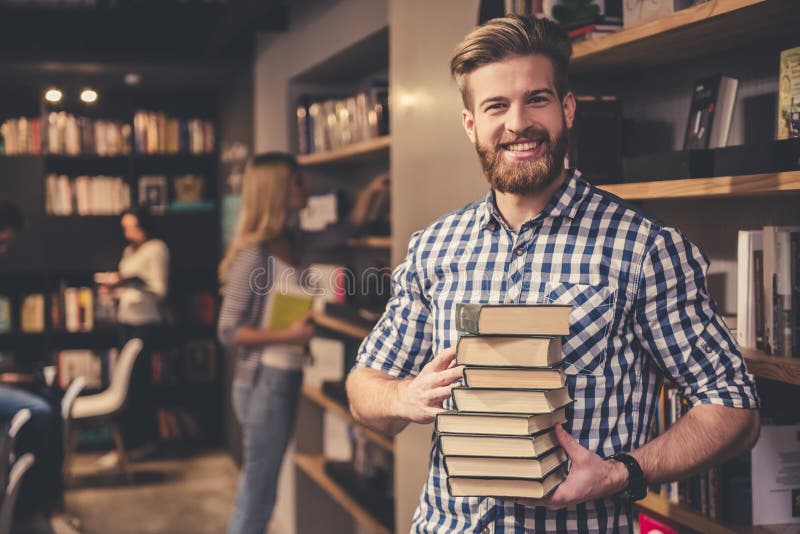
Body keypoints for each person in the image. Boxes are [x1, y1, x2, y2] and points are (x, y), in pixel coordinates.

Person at [346, 15, 760, 533]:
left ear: (566, 110)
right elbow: (365, 386)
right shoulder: (433, 248)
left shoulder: (645, 248)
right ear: (470, 124)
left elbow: (734, 409)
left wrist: (620, 473)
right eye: (496, 105)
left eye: (536, 99)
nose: (518, 123)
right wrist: (404, 396)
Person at [217, 152, 389, 534]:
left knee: (262, 487)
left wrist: (372, 192)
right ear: (276, 190)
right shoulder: (254, 255)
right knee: (258, 492)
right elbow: (228, 331)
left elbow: (345, 230)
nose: (304, 187)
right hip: (264, 382)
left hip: (284, 377)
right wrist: (290, 336)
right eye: (296, 181)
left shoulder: (291, 241)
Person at [97, 206, 170, 467]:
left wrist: (130, 282)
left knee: (138, 383)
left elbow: (159, 289)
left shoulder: (156, 249)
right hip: (125, 320)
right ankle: (128, 443)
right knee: (126, 381)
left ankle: (140, 443)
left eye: (132, 226)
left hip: (144, 321)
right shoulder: (129, 251)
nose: (128, 232)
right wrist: (113, 290)